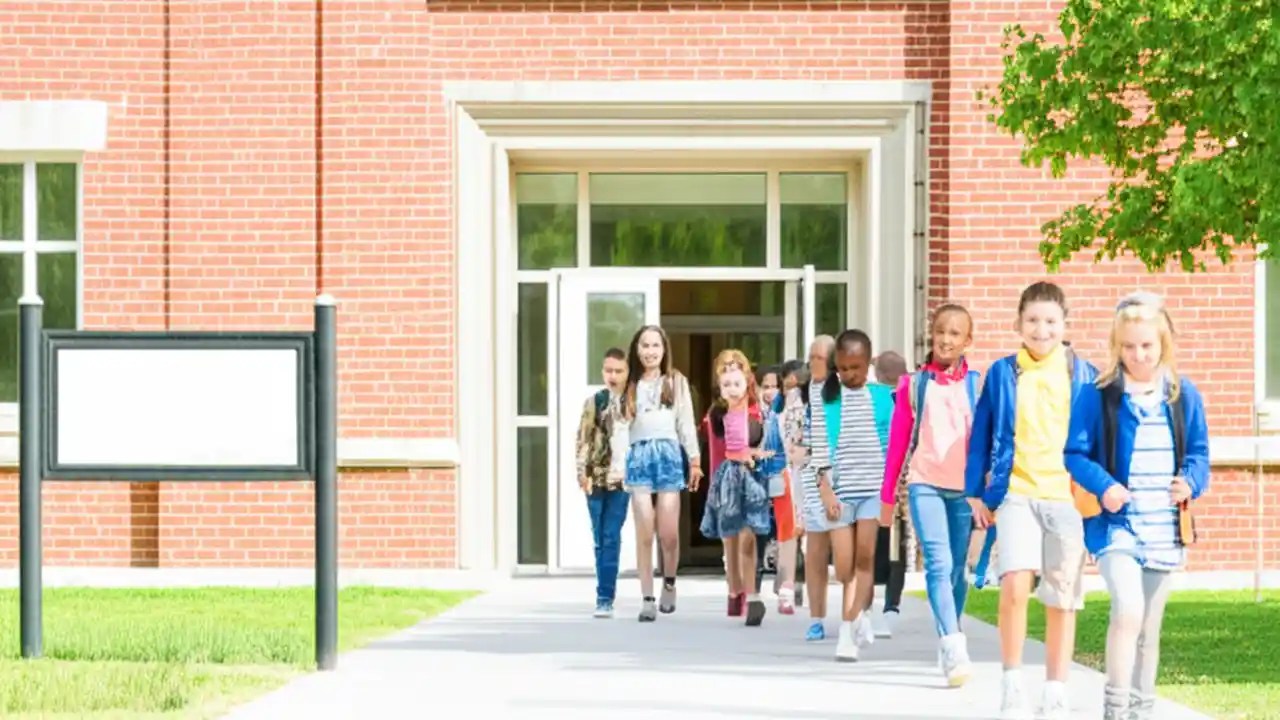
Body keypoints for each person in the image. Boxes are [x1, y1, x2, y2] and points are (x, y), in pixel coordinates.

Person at [1063, 292, 1210, 720]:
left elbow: (1199, 452)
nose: (1138, 354)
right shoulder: (1100, 395)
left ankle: (1141, 710)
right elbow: (1074, 453)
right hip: (1117, 526)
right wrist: (1104, 485)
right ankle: (1114, 707)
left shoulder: (1183, 395)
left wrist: (1192, 482)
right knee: (1127, 608)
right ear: (1116, 346)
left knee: (1149, 628)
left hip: (1164, 526)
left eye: (1146, 346)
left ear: (1163, 343)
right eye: (1128, 347)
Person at [965, 281, 1097, 719]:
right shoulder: (1003, 373)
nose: (1042, 330)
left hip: (1066, 498)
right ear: (1017, 324)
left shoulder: (1084, 374)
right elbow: (981, 434)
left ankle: (1056, 688)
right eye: (1033, 321)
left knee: (1062, 596)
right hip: (1017, 492)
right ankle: (1011, 679)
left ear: (1065, 324)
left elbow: (1098, 441)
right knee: (1015, 585)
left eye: (1050, 321)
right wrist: (975, 493)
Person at [880, 306, 981, 685]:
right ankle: (954, 647)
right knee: (937, 564)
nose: (946, 339)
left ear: (967, 340)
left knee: (958, 569)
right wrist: (888, 499)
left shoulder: (977, 384)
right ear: (931, 334)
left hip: (964, 491)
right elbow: (898, 445)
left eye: (955, 333)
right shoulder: (913, 385)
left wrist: (988, 492)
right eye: (940, 331)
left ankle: (950, 631)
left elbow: (987, 443)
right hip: (925, 485)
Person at [808, 329, 894, 661]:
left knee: (864, 559)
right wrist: (825, 491)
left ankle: (849, 628)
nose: (849, 375)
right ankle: (859, 612)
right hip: (841, 493)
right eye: (843, 368)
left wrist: (890, 493)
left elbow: (892, 446)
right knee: (843, 567)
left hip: (872, 492)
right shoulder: (827, 397)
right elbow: (819, 449)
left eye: (855, 368)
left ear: (868, 363)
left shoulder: (882, 397)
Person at [609, 325, 702, 622]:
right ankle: (647, 598)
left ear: (664, 350)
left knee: (669, 534)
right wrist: (619, 465)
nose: (650, 351)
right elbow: (620, 428)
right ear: (637, 349)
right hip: (639, 458)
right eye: (645, 345)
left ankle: (670, 583)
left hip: (668, 456)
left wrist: (695, 460)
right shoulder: (629, 384)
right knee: (644, 530)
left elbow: (686, 423)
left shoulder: (675, 382)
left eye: (655, 346)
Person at [700, 350, 774, 626]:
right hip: (726, 478)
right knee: (729, 539)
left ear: (747, 378)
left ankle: (751, 594)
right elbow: (717, 451)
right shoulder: (717, 414)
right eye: (726, 377)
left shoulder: (758, 412)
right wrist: (715, 488)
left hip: (753, 478)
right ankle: (734, 589)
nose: (732, 386)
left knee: (747, 537)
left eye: (737, 375)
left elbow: (768, 443)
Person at [575, 347, 631, 618]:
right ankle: (603, 591)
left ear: (627, 372)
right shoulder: (594, 402)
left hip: (622, 481)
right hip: (596, 477)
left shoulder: (632, 402)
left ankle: (605, 596)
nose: (613, 375)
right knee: (599, 537)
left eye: (618, 371)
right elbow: (583, 438)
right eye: (608, 370)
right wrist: (581, 473)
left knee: (611, 536)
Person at [798, 335, 837, 641]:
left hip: (840, 477)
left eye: (819, 358)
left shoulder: (843, 390)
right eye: (810, 357)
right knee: (815, 552)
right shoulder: (803, 391)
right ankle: (816, 617)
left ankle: (857, 613)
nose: (813, 364)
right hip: (811, 476)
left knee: (847, 553)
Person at [870, 350, 909, 639]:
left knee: (870, 545)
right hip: (902, 483)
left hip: (872, 482)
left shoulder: (869, 395)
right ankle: (891, 606)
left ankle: (865, 604)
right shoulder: (910, 396)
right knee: (898, 546)